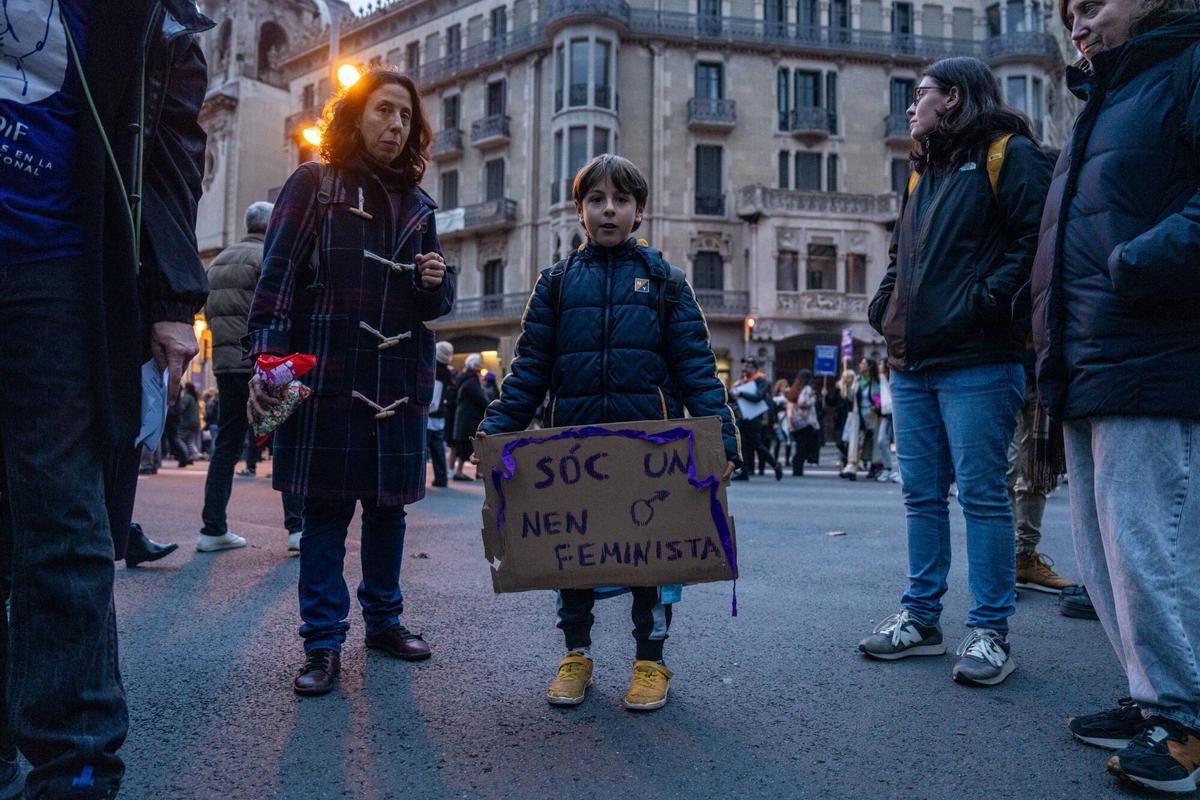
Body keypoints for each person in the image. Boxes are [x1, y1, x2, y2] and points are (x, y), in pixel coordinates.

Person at [0, 1, 213, 796]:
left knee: (64, 519)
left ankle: (73, 764)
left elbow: (168, 149)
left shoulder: (151, 14)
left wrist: (171, 295)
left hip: (60, 267)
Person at [476, 154, 740, 712]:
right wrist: (493, 434)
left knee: (652, 560)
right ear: (580, 211)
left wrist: (724, 445)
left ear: (639, 212)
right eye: (596, 200)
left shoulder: (668, 283)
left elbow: (697, 371)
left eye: (621, 200)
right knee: (571, 557)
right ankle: (576, 655)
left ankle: (651, 662)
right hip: (574, 451)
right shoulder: (554, 285)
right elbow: (529, 372)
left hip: (648, 455)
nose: (609, 209)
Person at [1032, 0, 1200, 790]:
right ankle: (1150, 698)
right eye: (1066, 11)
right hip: (1090, 353)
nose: (1076, 22)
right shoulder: (1107, 95)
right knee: (1104, 554)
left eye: (1090, 4)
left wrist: (1142, 262)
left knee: (1150, 546)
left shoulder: (1188, 66)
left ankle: (1187, 718)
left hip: (1153, 348)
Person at [244, 67, 454, 696]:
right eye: (384, 111)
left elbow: (436, 307)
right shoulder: (314, 183)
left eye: (406, 117)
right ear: (356, 117)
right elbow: (275, 280)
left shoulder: (420, 204)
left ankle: (385, 622)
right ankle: (322, 643)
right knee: (327, 515)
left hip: (397, 381)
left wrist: (433, 283)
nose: (396, 125)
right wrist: (270, 363)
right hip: (332, 376)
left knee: (390, 514)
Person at [860, 56, 1052, 687]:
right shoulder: (923, 171)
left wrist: (985, 303)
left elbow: (1035, 243)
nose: (911, 106)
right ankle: (921, 620)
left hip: (980, 359)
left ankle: (990, 631)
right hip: (913, 361)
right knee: (920, 496)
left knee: (982, 496)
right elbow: (901, 255)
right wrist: (884, 306)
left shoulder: (1008, 154)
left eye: (920, 94)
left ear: (955, 97)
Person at [198, 201, 305, 555]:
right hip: (263, 361)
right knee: (285, 438)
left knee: (226, 445)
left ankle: (212, 528)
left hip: (226, 365)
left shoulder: (218, 263)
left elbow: (209, 313)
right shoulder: (268, 258)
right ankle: (296, 528)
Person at [1007, 348, 1073, 592]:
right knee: (1004, 472)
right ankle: (1003, 565)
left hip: (1041, 370)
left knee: (1037, 469)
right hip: (1001, 363)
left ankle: (1024, 556)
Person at [731, 359, 783, 481]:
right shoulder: (743, 381)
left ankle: (775, 465)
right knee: (742, 444)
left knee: (757, 445)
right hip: (742, 416)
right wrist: (734, 392)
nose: (744, 369)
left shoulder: (762, 381)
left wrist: (740, 394)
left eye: (747, 366)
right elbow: (734, 396)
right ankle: (745, 471)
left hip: (755, 416)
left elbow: (758, 397)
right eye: (743, 366)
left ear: (754, 368)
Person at [452, 354, 488, 480]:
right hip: (469, 418)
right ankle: (460, 472)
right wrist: (490, 405)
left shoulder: (464, 377)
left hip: (464, 417)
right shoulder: (472, 380)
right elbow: (480, 398)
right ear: (476, 366)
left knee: (467, 445)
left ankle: (470, 472)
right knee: (473, 444)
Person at [427, 341, 455, 487]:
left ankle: (417, 481)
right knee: (438, 449)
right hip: (440, 416)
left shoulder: (434, 370)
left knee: (423, 448)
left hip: (429, 415)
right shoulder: (446, 372)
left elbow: (433, 400)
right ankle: (441, 478)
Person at [788, 370, 820, 476]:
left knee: (800, 446)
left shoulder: (796, 388)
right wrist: (813, 399)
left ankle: (797, 468)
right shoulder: (807, 389)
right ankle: (797, 468)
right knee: (803, 447)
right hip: (805, 421)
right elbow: (802, 402)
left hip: (797, 421)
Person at [873, 361, 897, 483]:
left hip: (896, 413)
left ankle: (899, 472)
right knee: (882, 441)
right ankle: (888, 468)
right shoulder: (880, 380)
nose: (879, 366)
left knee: (898, 444)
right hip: (885, 414)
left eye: (881, 364)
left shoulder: (894, 379)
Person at [173, 382, 202, 466]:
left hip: (186, 422)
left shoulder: (187, 397)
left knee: (179, 439)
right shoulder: (194, 398)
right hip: (195, 423)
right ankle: (192, 455)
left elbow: (182, 408)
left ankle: (185, 455)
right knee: (189, 441)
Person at [770, 378, 793, 470]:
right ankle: (775, 459)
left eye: (787, 386)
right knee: (778, 440)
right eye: (784, 386)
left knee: (788, 440)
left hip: (787, 420)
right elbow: (774, 410)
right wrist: (775, 422)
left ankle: (787, 460)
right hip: (780, 420)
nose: (786, 388)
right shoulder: (775, 398)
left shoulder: (789, 397)